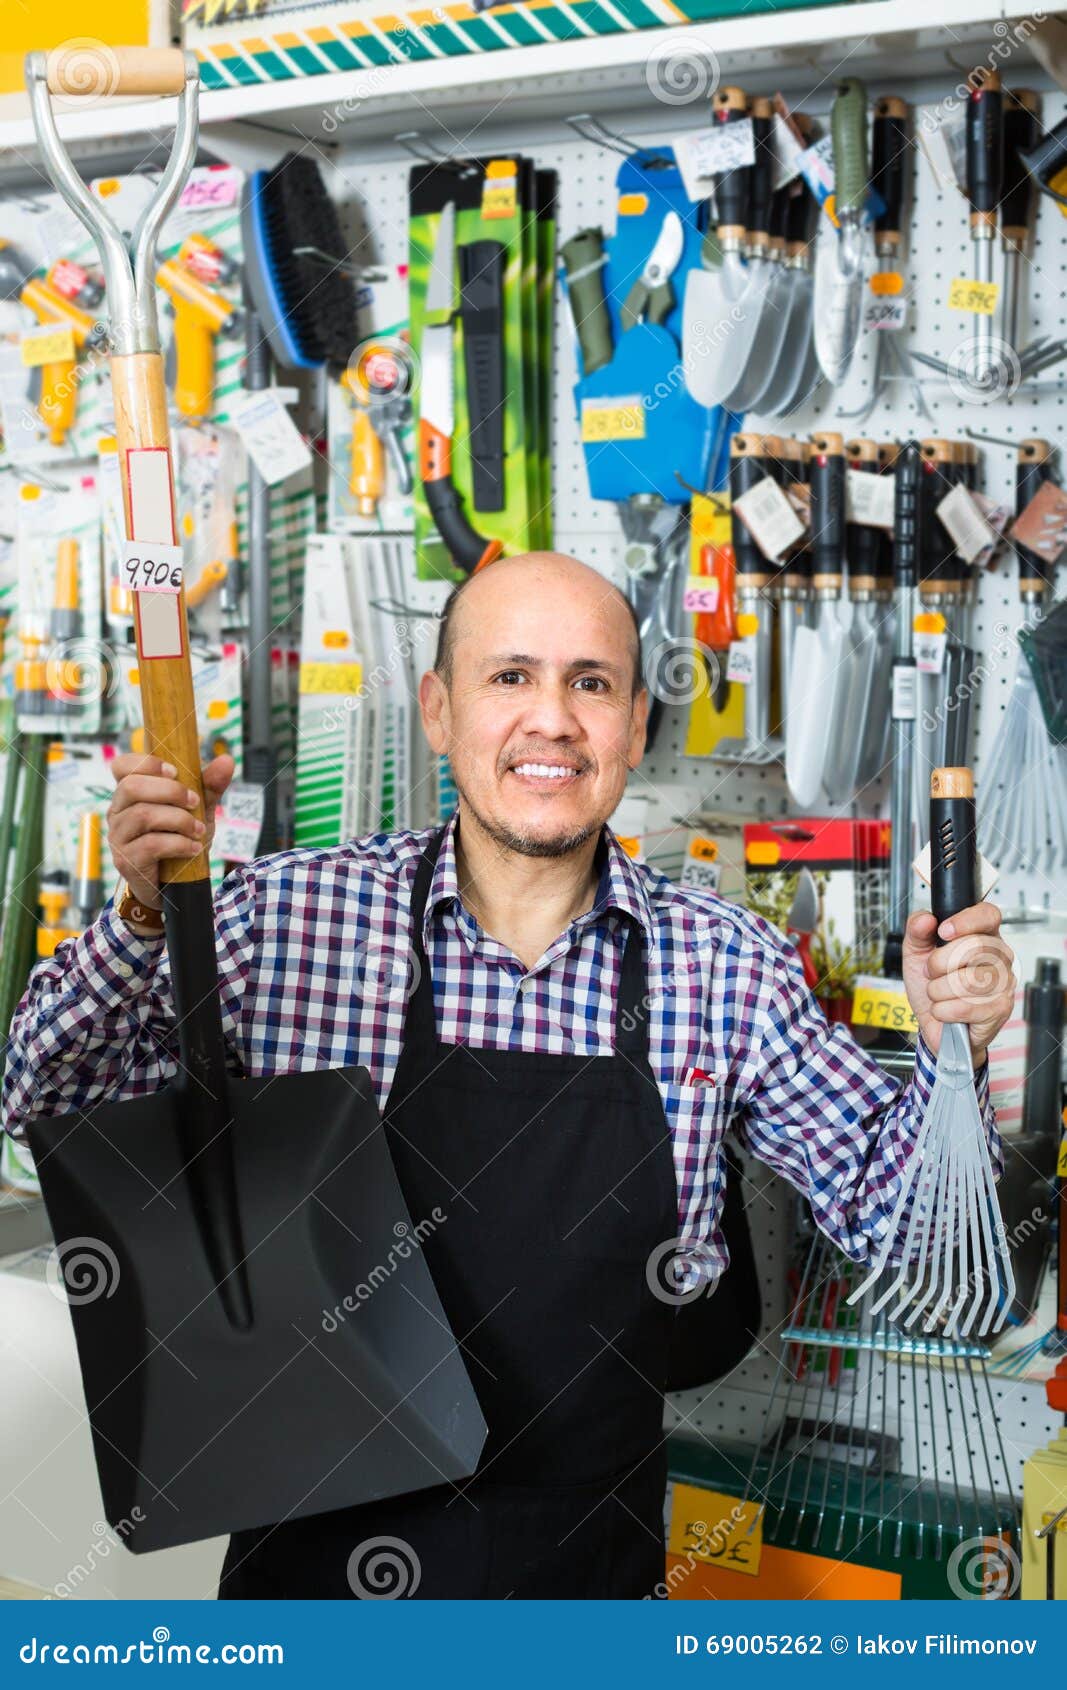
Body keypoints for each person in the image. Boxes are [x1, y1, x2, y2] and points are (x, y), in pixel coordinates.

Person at [2, 552, 1015, 1600]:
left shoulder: (725, 967)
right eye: (509, 676)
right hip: (312, 1596)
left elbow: (919, 1243)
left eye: (591, 682)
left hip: (581, 1588)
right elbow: (41, 1100)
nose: (552, 720)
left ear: (634, 723)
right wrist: (141, 918)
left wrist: (956, 1055)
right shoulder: (286, 920)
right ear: (438, 710)